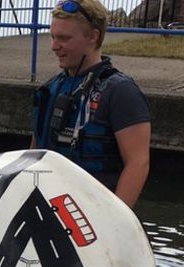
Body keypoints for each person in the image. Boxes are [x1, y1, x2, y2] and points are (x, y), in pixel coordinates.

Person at [31, 0, 151, 208]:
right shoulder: (49, 88)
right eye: (52, 36)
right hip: (47, 210)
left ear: (93, 37)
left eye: (64, 38)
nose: (54, 46)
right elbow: (34, 151)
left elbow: (138, 163)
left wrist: (114, 221)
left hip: (95, 211)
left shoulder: (120, 91)